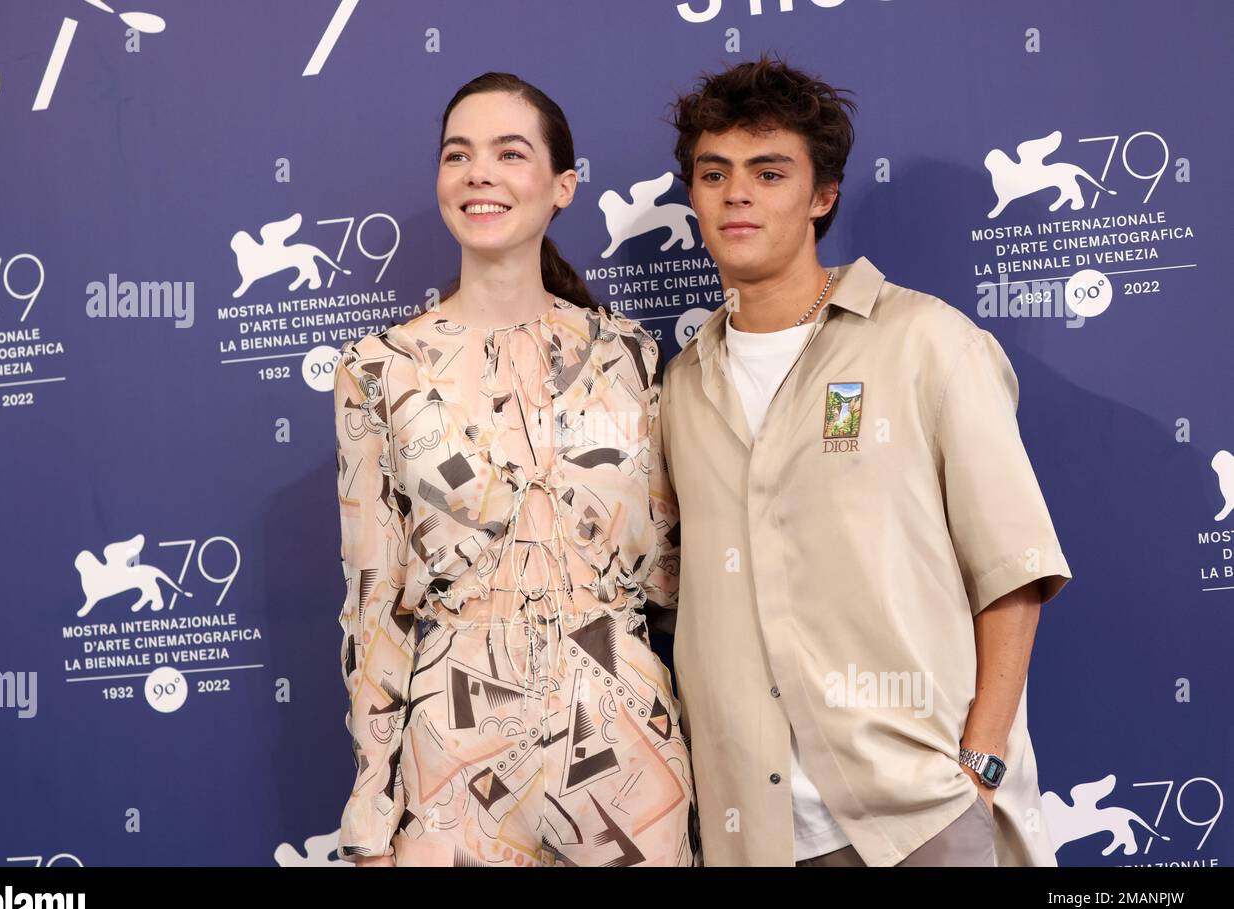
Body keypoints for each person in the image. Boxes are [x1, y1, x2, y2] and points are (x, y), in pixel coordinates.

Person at [658, 54, 1072, 866]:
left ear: (821, 196)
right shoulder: (679, 386)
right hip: (758, 833)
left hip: (921, 815)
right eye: (715, 174)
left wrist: (979, 765)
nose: (737, 193)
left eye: (768, 171)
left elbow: (1015, 565)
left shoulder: (926, 341)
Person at [332, 72, 696, 867]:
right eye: (457, 154)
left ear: (563, 186)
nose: (479, 173)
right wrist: (370, 812)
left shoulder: (628, 354)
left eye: (509, 152)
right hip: (452, 744)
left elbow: (673, 579)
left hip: (623, 725)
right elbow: (374, 604)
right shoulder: (379, 369)